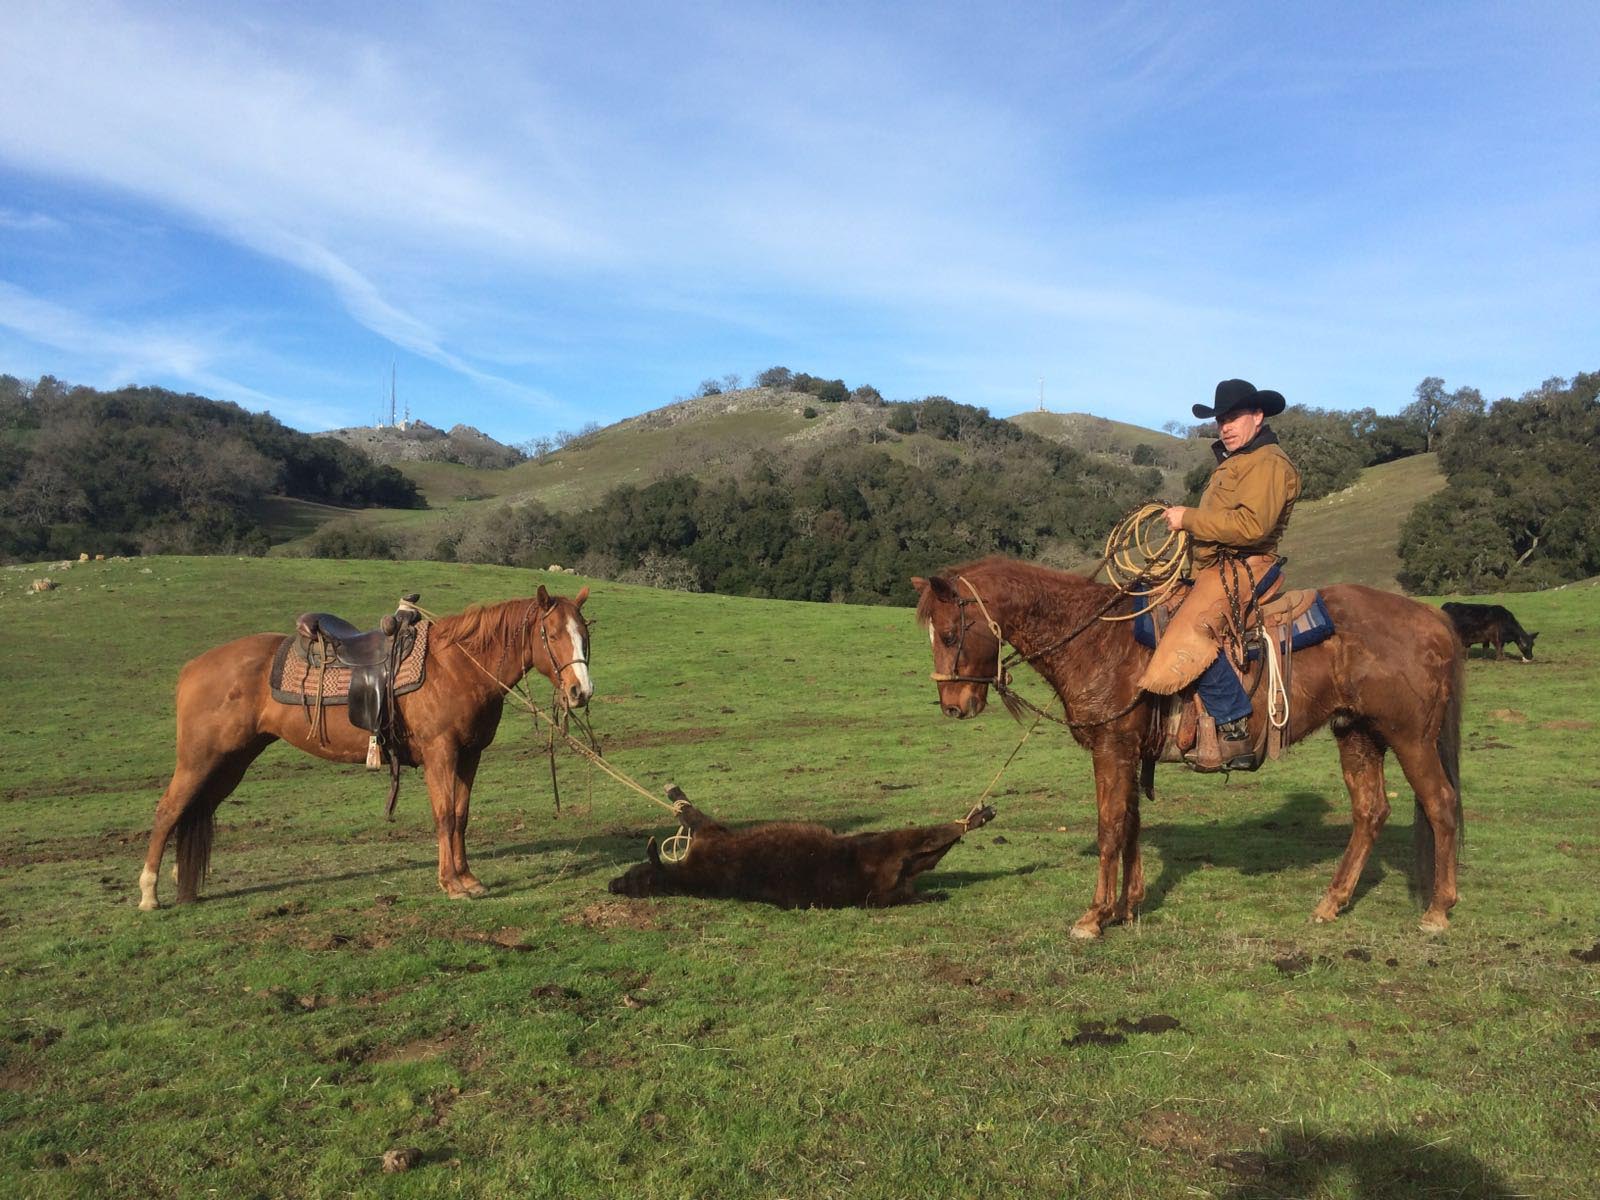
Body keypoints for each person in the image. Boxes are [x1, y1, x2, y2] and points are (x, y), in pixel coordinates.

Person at [1136, 379, 1301, 771]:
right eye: (1221, 420)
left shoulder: (1269, 462)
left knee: (1190, 625)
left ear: (1257, 416)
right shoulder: (1237, 461)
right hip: (1217, 567)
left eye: (1233, 418)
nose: (1225, 426)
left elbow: (1252, 526)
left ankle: (1233, 721)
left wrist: (1188, 518)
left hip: (1248, 563)